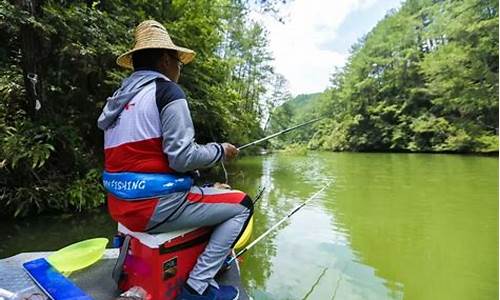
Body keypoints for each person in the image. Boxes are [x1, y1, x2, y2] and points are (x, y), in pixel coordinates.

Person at [97, 20, 253, 300]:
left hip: (119, 206)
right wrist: (221, 150)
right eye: (178, 61)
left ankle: (133, 268)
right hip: (154, 208)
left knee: (206, 192)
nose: (180, 68)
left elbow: (147, 160)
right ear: (165, 60)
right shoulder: (167, 92)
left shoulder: (116, 102)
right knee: (242, 205)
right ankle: (196, 288)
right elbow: (182, 158)